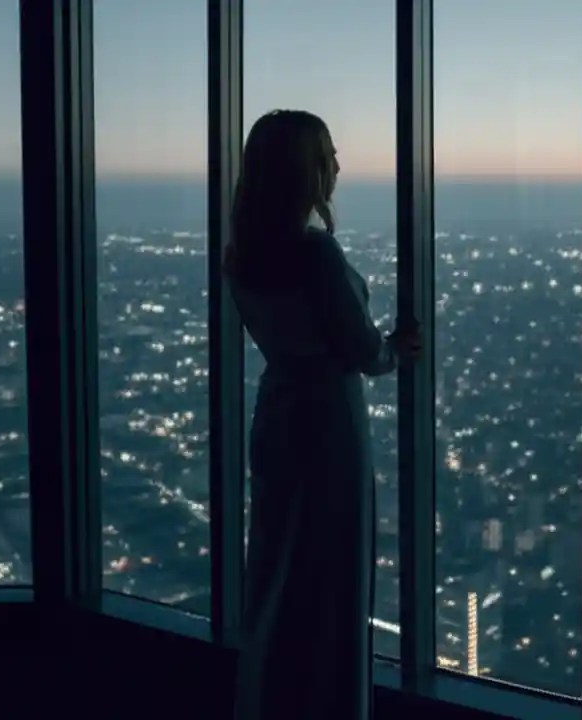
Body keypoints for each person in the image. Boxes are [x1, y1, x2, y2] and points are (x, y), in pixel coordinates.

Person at [228, 109, 421, 720]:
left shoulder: (242, 254)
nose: (338, 164)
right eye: (327, 153)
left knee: (280, 568)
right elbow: (363, 351)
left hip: (278, 414)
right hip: (330, 425)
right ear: (303, 170)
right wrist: (399, 349)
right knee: (331, 577)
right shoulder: (316, 254)